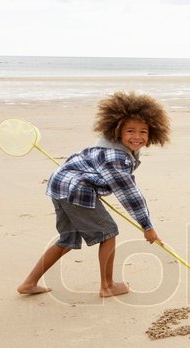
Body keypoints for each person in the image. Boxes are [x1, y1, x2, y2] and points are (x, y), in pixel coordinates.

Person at [17, 91, 171, 297]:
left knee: (68, 239)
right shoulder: (115, 157)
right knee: (108, 232)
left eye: (143, 132)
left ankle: (29, 283)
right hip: (76, 190)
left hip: (60, 185)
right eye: (130, 131)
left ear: (153, 132)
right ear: (117, 131)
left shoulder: (115, 148)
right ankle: (107, 286)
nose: (137, 137)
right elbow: (129, 194)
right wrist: (147, 226)